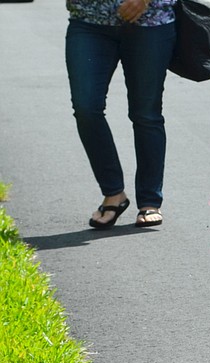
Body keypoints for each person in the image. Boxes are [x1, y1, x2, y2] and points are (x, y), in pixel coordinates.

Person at [66, 0, 176, 229]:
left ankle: (149, 201)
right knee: (86, 107)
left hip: (150, 19)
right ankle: (113, 193)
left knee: (146, 113)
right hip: (88, 19)